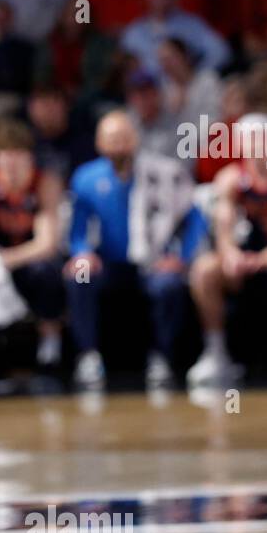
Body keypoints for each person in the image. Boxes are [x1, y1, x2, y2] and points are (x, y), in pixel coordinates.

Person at [64, 111, 206, 389]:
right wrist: (82, 253)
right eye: (110, 138)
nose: (117, 145)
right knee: (78, 274)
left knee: (168, 285)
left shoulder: (163, 172)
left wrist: (182, 257)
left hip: (151, 262)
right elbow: (77, 230)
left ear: (135, 139)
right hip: (107, 263)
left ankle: (162, 357)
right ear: (98, 142)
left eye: (123, 137)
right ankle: (89, 356)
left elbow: (195, 216)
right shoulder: (86, 178)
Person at [186, 114, 267, 386]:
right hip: (248, 258)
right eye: (248, 140)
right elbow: (223, 228)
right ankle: (215, 351)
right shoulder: (230, 178)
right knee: (205, 269)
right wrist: (230, 253)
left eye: (262, 139)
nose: (255, 146)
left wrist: (266, 257)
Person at [0, 118, 65, 370]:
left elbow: (47, 243)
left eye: (18, 153)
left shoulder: (45, 183)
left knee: (47, 273)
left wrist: (4, 260)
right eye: (5, 153)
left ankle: (50, 343)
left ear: (30, 157)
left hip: (29, 259)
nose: (11, 161)